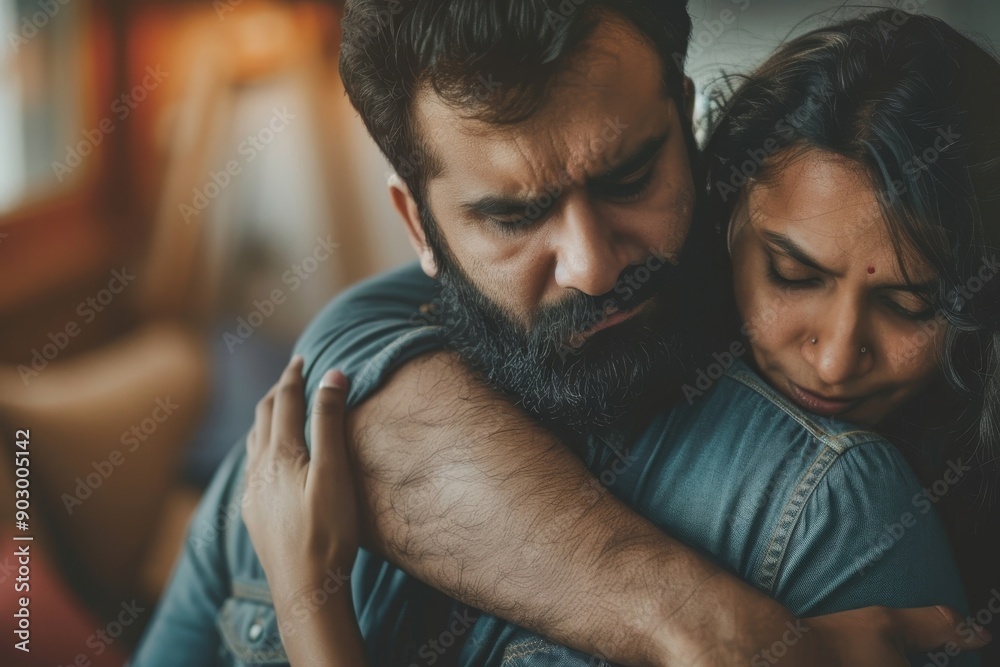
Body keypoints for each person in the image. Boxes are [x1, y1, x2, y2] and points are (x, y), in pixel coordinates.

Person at [132, 3, 995, 666]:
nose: (590, 265)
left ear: (688, 131)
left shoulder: (831, 506)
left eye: (630, 176)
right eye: (514, 215)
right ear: (418, 227)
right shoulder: (313, 423)